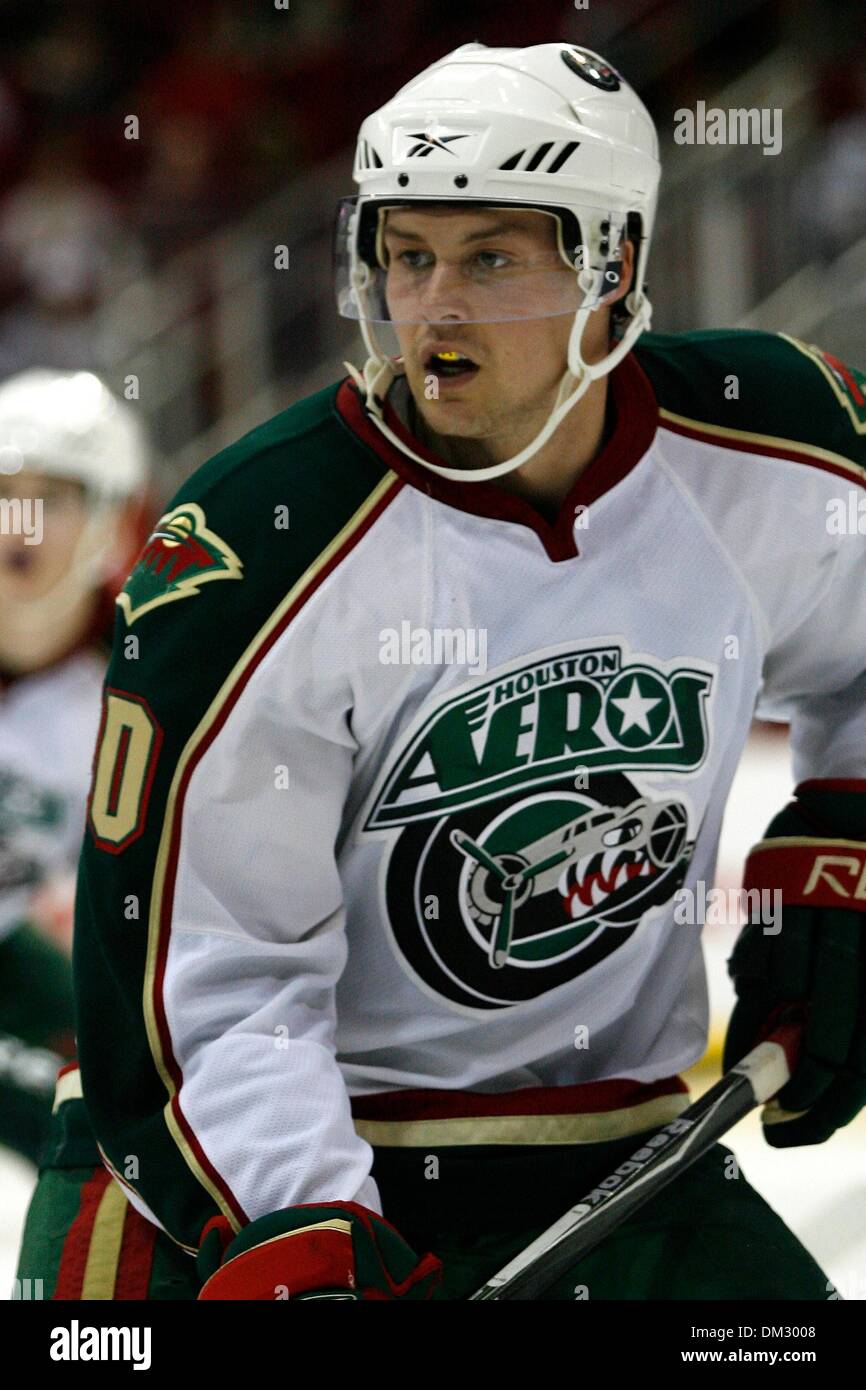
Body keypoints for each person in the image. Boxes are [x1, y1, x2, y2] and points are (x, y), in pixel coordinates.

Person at [16, 42, 866, 1301]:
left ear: (612, 265)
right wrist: (304, 1223)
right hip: (229, 1166)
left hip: (610, 1147)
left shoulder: (775, 444)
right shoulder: (262, 543)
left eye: (490, 258)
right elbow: (211, 970)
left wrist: (841, 847)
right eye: (408, 256)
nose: (436, 309)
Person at [0, 368, 149, 1165]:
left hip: (73, 1095)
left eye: (47, 498)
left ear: (111, 522)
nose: (15, 526)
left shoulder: (158, 698)